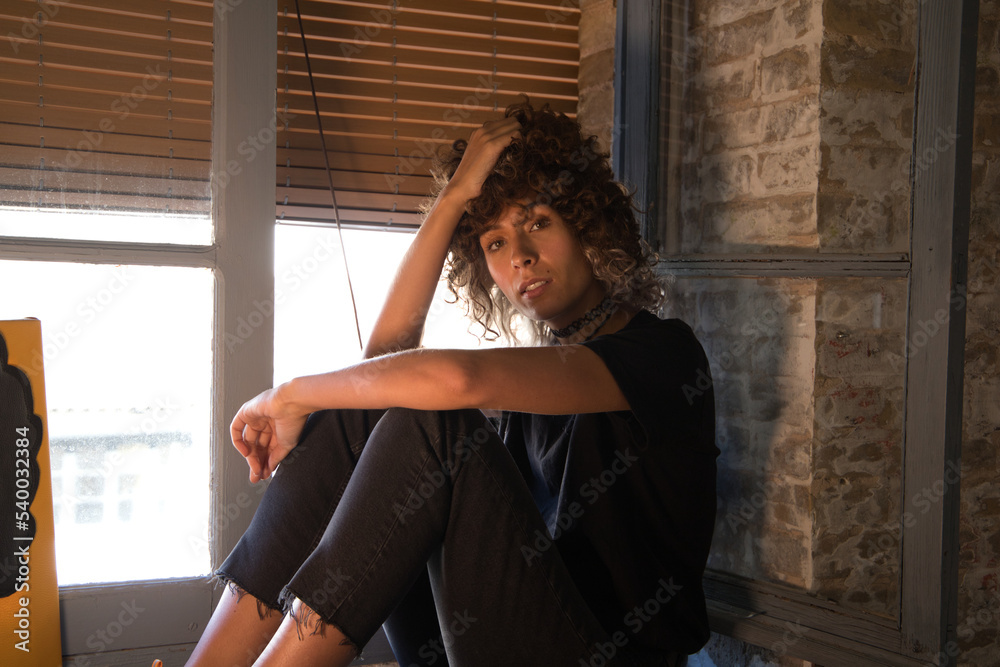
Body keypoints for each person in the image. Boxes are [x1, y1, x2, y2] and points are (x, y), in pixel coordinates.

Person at [183, 100, 718, 667]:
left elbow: (458, 379)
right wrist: (453, 198)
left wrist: (288, 394)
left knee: (430, 420)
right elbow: (379, 372)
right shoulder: (530, 394)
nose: (521, 258)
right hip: (484, 640)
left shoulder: (664, 354)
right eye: (495, 243)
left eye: (538, 222)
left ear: (587, 223)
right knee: (361, 409)